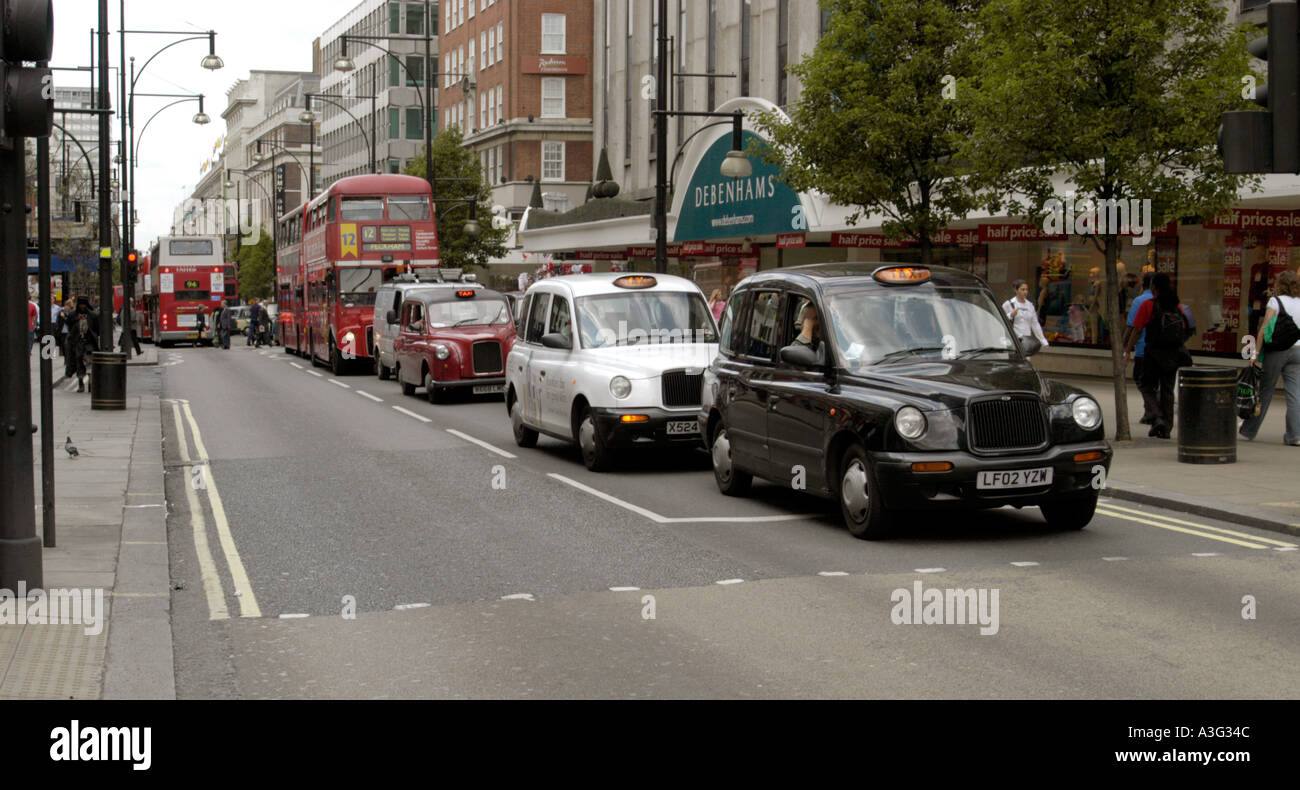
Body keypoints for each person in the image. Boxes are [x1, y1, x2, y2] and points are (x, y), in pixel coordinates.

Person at [1124, 273, 1194, 438]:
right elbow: (1186, 327)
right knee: (1167, 390)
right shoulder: (1176, 306)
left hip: (1153, 353)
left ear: (1153, 286)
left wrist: (1128, 349)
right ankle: (1166, 428)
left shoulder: (1149, 305)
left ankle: (1156, 416)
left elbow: (1137, 329)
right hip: (1173, 353)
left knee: (1147, 385)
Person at [1240, 270, 1300, 445]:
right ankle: (1295, 435)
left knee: (1266, 390)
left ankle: (1249, 430)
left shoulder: (1275, 301)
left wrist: (1256, 353)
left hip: (1278, 351)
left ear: (1280, 285)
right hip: (1298, 350)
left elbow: (1265, 329)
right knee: (1295, 393)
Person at [1124, 272, 1158, 425]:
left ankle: (1154, 410)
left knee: (1141, 380)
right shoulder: (1164, 300)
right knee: (1153, 382)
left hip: (1143, 349)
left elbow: (1133, 328)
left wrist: (1125, 348)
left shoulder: (1139, 300)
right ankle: (1149, 412)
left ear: (1143, 285)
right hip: (1160, 350)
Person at [1003, 279, 1049, 356]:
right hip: (1013, 340)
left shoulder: (1030, 305)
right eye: (1022, 289)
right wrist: (1010, 315)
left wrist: (1043, 340)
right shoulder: (1008, 304)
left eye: (1026, 290)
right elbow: (1001, 320)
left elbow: (1035, 324)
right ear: (1016, 290)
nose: (1025, 292)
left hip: (1027, 341)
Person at [66, 296, 100, 392]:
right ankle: (81, 383)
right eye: (81, 304)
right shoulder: (73, 315)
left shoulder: (93, 315)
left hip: (89, 342)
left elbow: (97, 330)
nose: (82, 306)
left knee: (90, 363)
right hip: (78, 343)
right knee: (78, 362)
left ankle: (90, 384)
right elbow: (69, 327)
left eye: (84, 304)